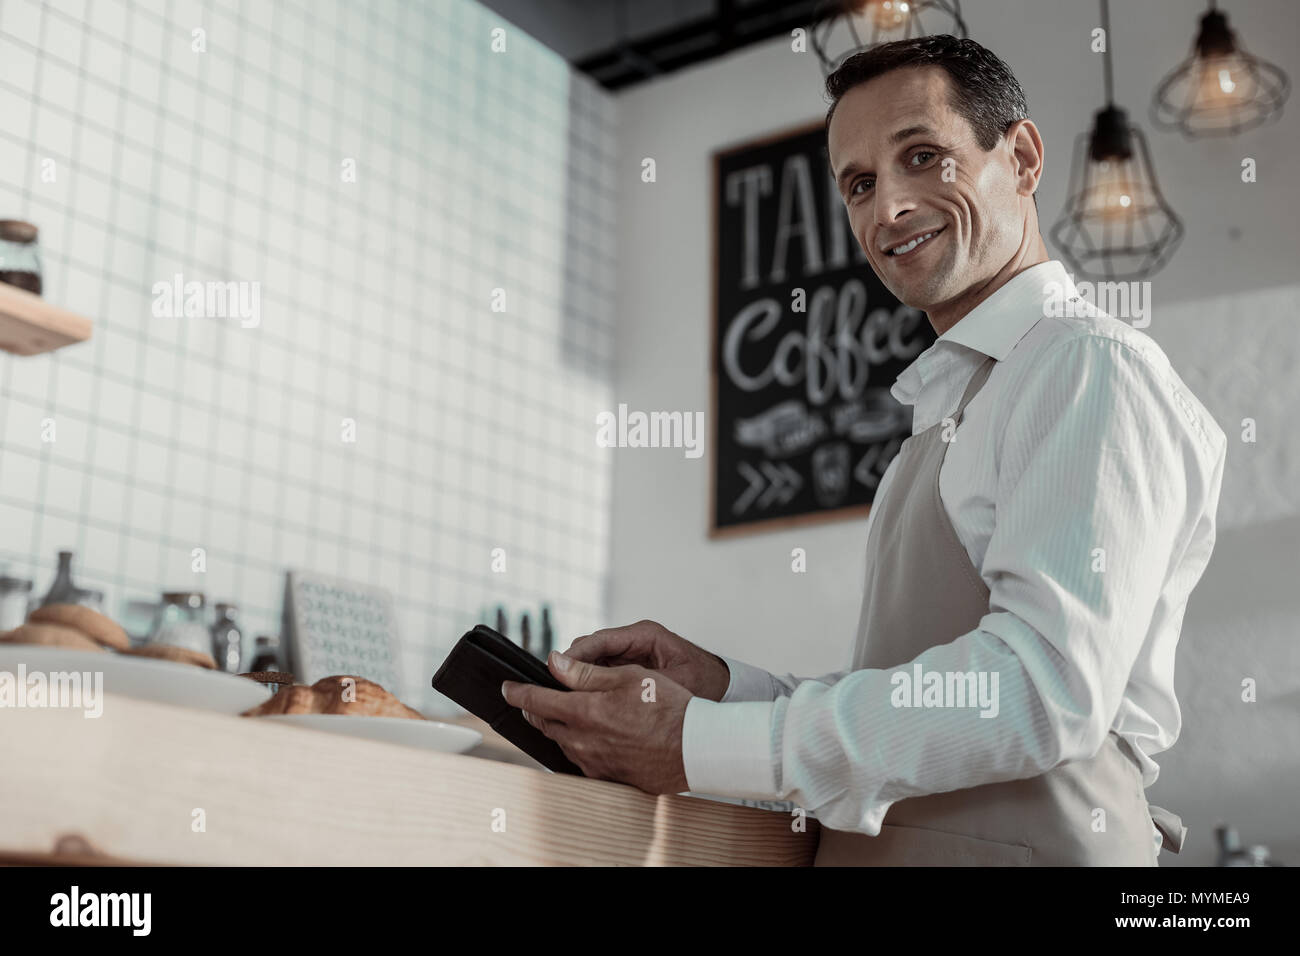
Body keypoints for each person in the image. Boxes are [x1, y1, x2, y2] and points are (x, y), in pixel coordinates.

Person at [502, 35, 1226, 866]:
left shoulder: (1085, 366)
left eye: (923, 156)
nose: (887, 209)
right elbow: (922, 693)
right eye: (860, 184)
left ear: (1021, 157)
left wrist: (699, 741)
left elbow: (1041, 689)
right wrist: (723, 687)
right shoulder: (956, 402)